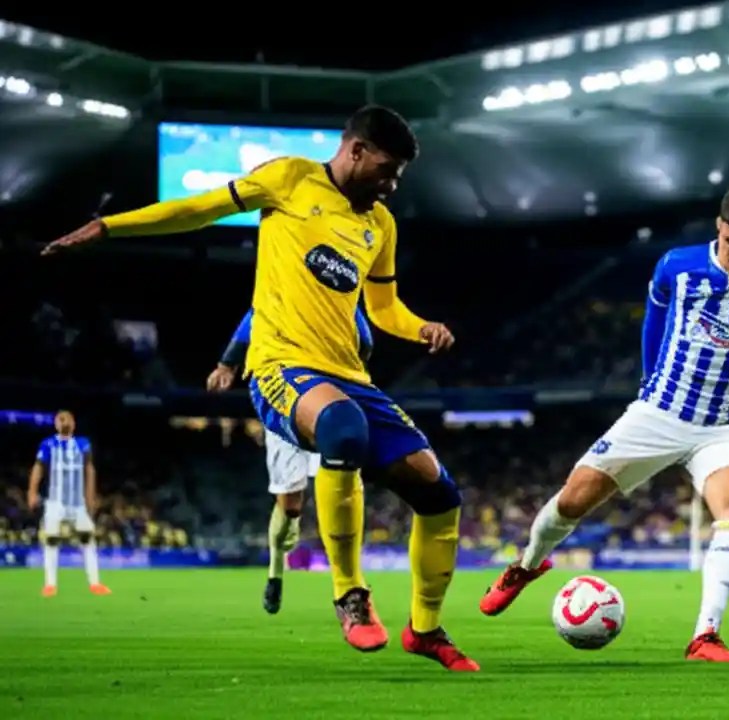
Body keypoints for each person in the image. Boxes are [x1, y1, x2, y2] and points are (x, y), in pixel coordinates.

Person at [43, 105, 478, 670]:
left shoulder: (380, 225)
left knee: (439, 494)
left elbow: (384, 307)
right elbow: (196, 209)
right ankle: (350, 593)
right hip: (280, 366)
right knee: (342, 430)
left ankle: (425, 630)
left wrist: (420, 326)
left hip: (348, 374)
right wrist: (110, 226)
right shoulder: (290, 178)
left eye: (399, 176)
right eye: (387, 170)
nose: (392, 184)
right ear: (356, 151)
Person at [479, 183, 729, 662]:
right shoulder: (678, 265)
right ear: (719, 228)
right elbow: (654, 313)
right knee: (573, 499)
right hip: (658, 413)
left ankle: (706, 636)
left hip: (722, 426)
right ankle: (527, 566)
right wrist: (648, 377)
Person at [207, 305, 373, 615]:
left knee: (342, 486)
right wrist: (226, 365)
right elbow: (250, 324)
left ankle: (350, 585)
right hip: (283, 402)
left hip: (326, 405)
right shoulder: (280, 293)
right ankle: (275, 570)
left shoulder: (335, 295)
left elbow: (365, 340)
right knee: (290, 505)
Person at [28, 410, 111, 597]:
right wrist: (32, 492)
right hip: (54, 503)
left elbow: (89, 469)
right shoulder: (48, 444)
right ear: (56, 423)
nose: (64, 422)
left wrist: (91, 497)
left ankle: (95, 583)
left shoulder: (82, 444)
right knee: (51, 541)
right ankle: (50, 585)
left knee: (88, 540)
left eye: (67, 419)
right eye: (60, 419)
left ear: (73, 423)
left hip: (78, 504)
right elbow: (38, 468)